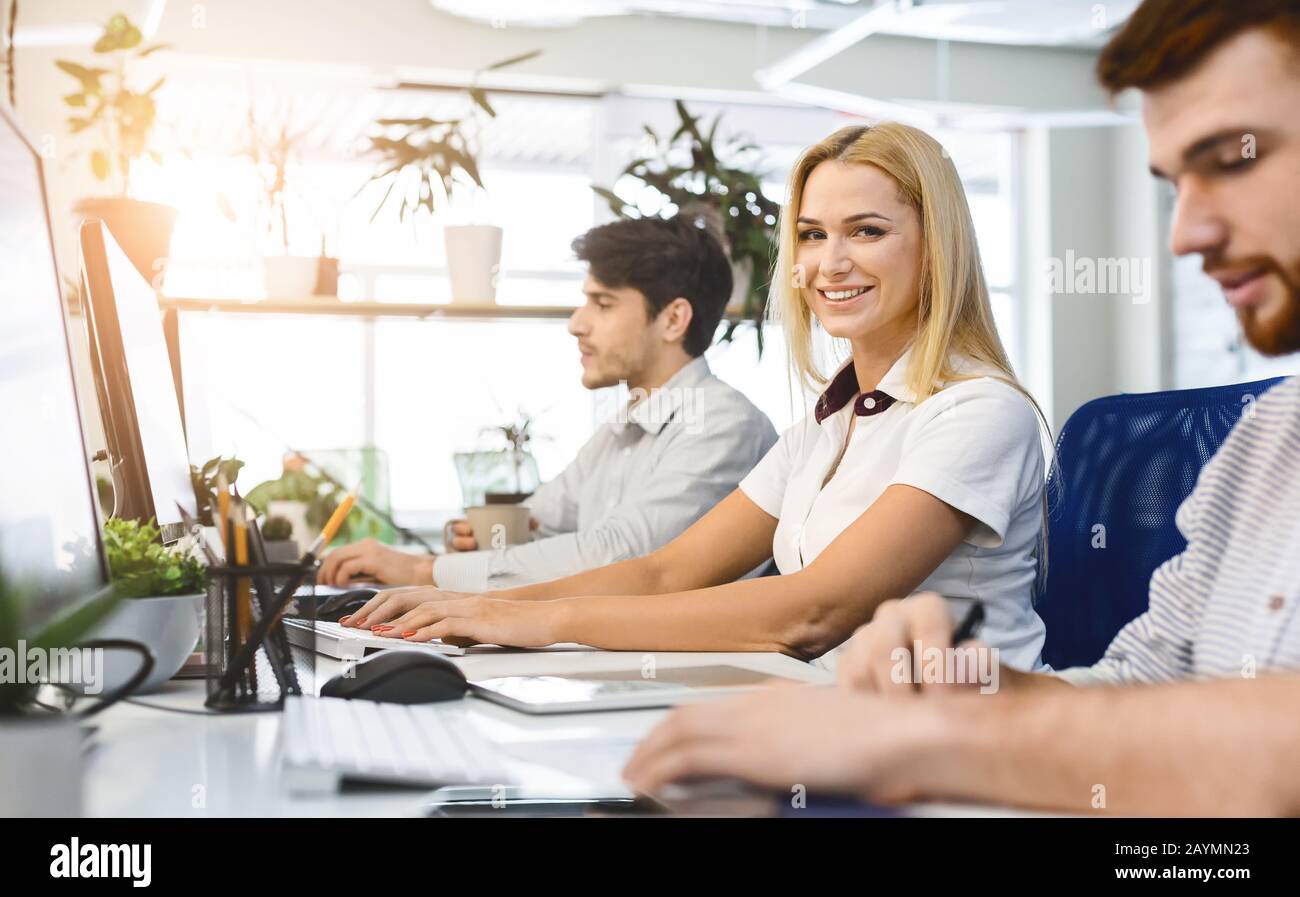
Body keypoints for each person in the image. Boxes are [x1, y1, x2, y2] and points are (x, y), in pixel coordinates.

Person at [623, 0, 1300, 817]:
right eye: (1173, 184)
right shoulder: (1265, 444)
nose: (1183, 233)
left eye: (1233, 159)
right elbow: (1141, 684)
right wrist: (971, 686)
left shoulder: (978, 409)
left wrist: (937, 741)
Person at [345, 121, 1050, 670]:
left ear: (936, 247)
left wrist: (541, 620)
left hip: (951, 744)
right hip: (825, 717)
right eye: (811, 235)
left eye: (866, 231)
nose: (830, 262)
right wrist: (474, 603)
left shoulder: (980, 411)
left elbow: (815, 610)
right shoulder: (826, 424)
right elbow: (668, 570)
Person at [318, 214, 777, 591]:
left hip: (690, 682)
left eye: (602, 304)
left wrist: (424, 572)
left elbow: (619, 554)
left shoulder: (722, 423)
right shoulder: (621, 429)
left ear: (674, 319)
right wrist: (482, 541)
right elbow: (542, 522)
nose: (576, 324)